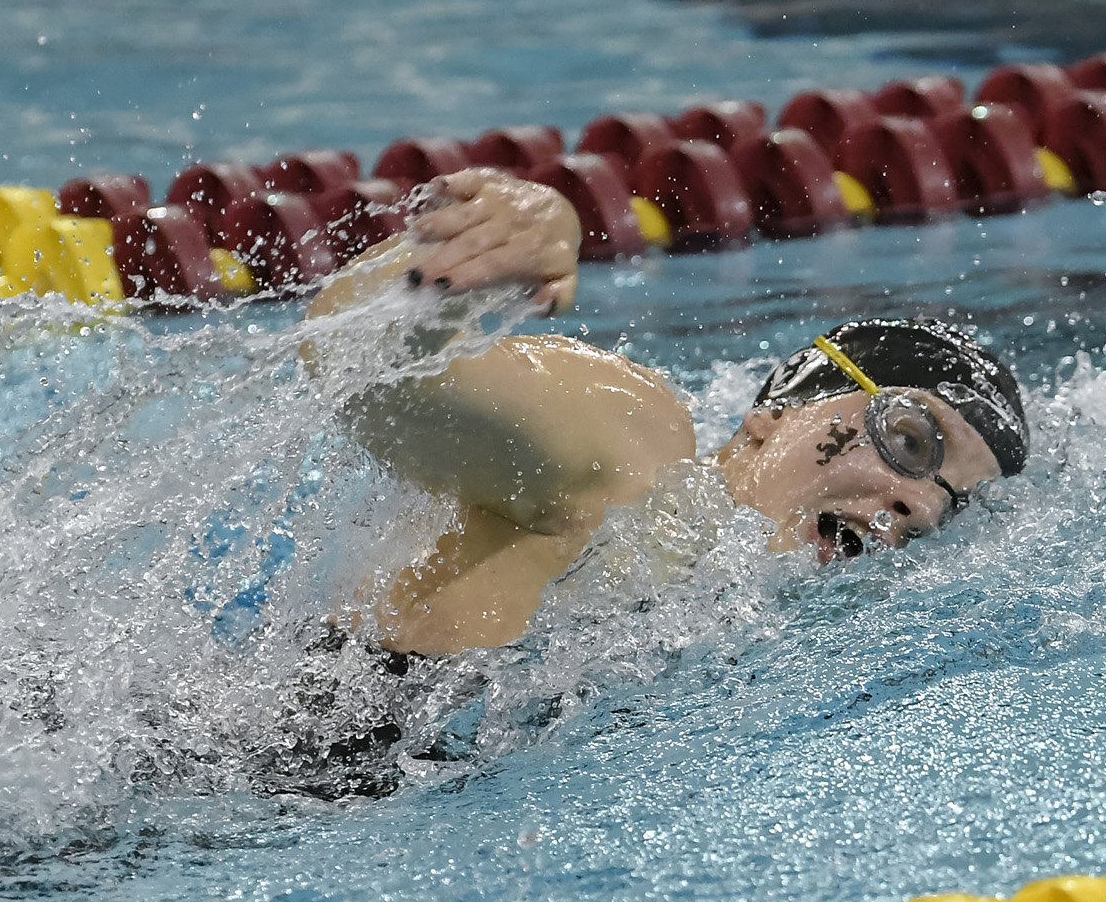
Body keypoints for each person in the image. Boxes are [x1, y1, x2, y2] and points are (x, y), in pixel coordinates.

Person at [308, 168, 1028, 657]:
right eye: (911, 439)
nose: (923, 508)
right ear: (774, 413)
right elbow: (364, 374)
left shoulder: (747, 623)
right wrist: (451, 274)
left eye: (952, 501)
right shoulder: (639, 448)